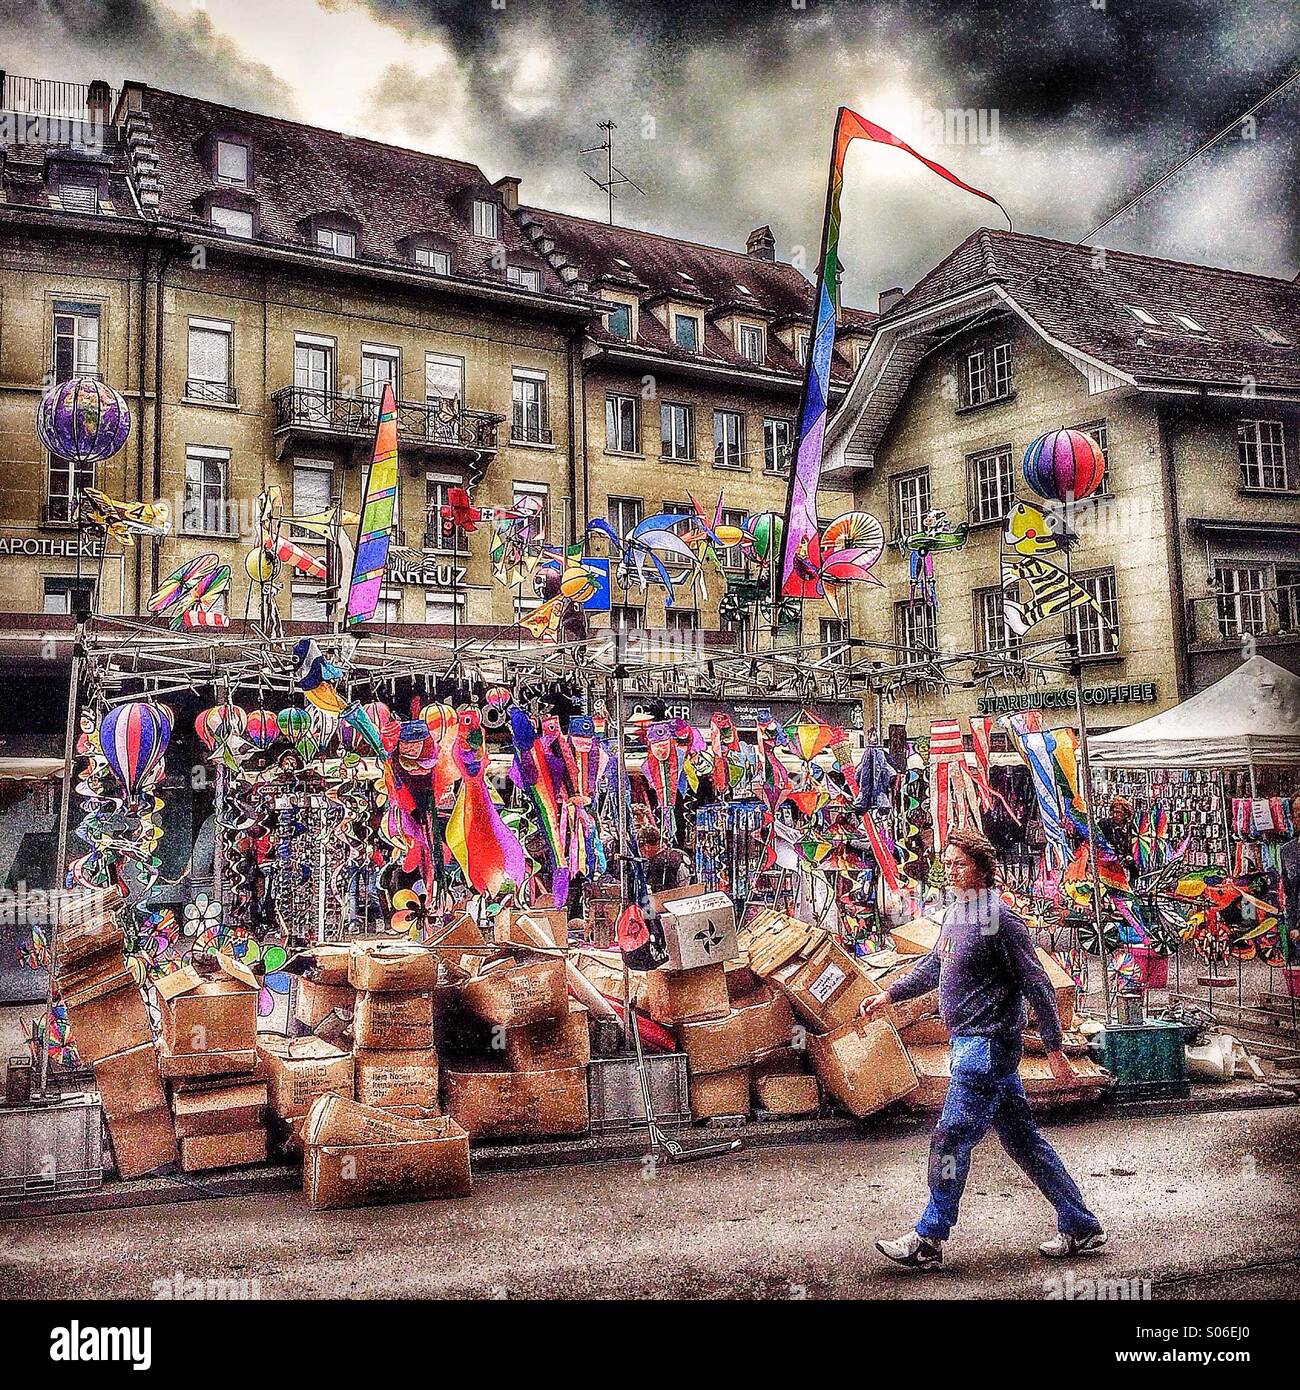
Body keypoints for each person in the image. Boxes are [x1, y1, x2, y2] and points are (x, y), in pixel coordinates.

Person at [863, 827, 1106, 1270]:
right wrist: (890, 994)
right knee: (1023, 1142)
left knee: (951, 1138)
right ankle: (1080, 1223)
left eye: (959, 863)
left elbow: (1038, 986)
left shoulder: (1001, 919)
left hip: (988, 1048)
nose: (951, 870)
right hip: (968, 1046)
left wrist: (1054, 1049)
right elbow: (934, 964)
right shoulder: (958, 913)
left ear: (982, 866)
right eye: (948, 863)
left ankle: (929, 1237)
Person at [637, 825, 689, 893]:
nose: (642, 854)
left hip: (670, 900)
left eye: (640, 849)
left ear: (647, 847)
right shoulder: (680, 853)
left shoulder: (656, 863)